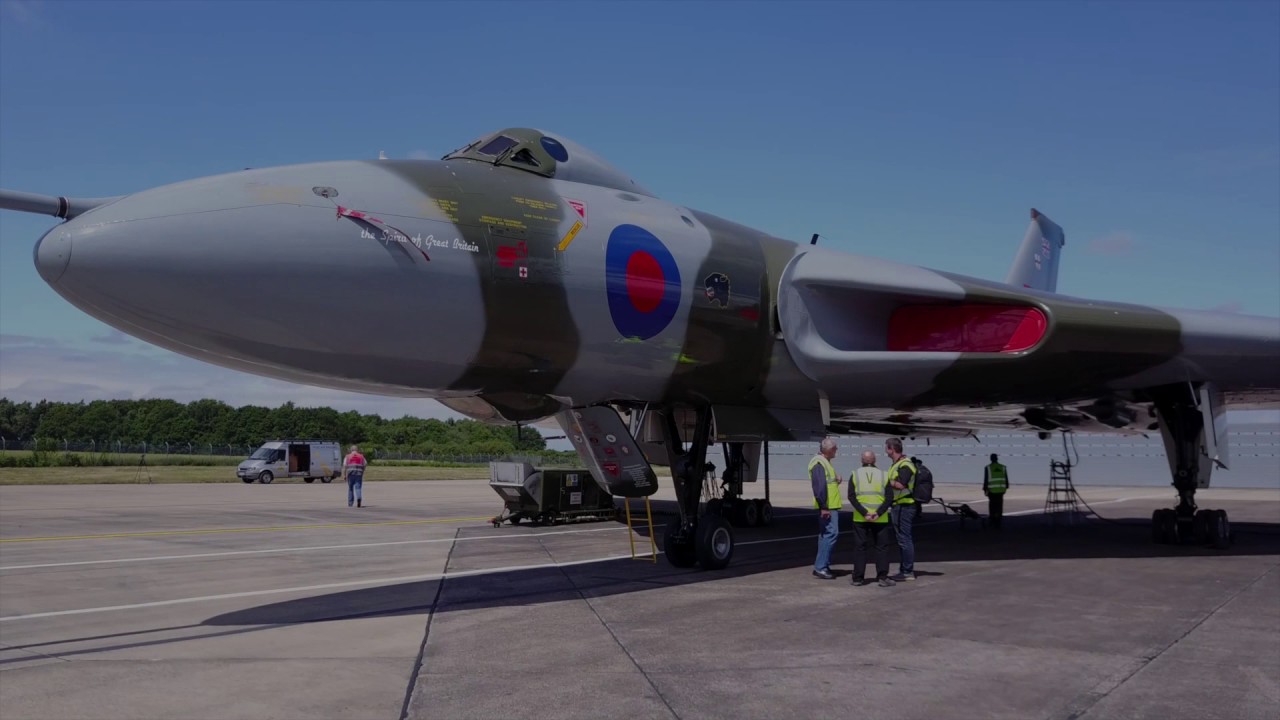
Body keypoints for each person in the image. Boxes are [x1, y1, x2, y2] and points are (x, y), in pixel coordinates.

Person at [848, 450, 894, 587]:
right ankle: (882, 577)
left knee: (860, 548)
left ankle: (858, 578)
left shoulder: (855, 474)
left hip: (860, 518)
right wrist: (878, 513)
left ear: (861, 460)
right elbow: (889, 497)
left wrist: (864, 512)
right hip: (880, 519)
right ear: (875, 460)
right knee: (882, 548)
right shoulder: (883, 475)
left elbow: (851, 496)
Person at [809, 436, 841, 580]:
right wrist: (824, 507)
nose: (836, 451)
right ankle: (821, 567)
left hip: (829, 504)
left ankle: (822, 565)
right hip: (828, 506)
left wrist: (836, 480)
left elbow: (826, 483)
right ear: (830, 450)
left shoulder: (824, 462)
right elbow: (819, 486)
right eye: (835, 449)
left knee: (825, 535)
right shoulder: (819, 462)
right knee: (831, 534)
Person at [885, 437, 917, 582]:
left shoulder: (906, 465)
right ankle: (904, 569)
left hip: (905, 505)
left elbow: (900, 485)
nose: (885, 450)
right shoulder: (897, 464)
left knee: (905, 539)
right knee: (902, 539)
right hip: (898, 505)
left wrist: (884, 480)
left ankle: (907, 571)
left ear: (892, 449)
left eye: (886, 447)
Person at [983, 453, 1009, 529]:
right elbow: (1006, 478)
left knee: (992, 506)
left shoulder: (988, 468)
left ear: (991, 459)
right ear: (997, 458)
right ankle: (998, 521)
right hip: (1001, 490)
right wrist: (1005, 488)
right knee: (999, 506)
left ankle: (992, 520)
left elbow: (986, 479)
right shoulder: (1003, 467)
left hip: (992, 491)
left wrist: (985, 489)